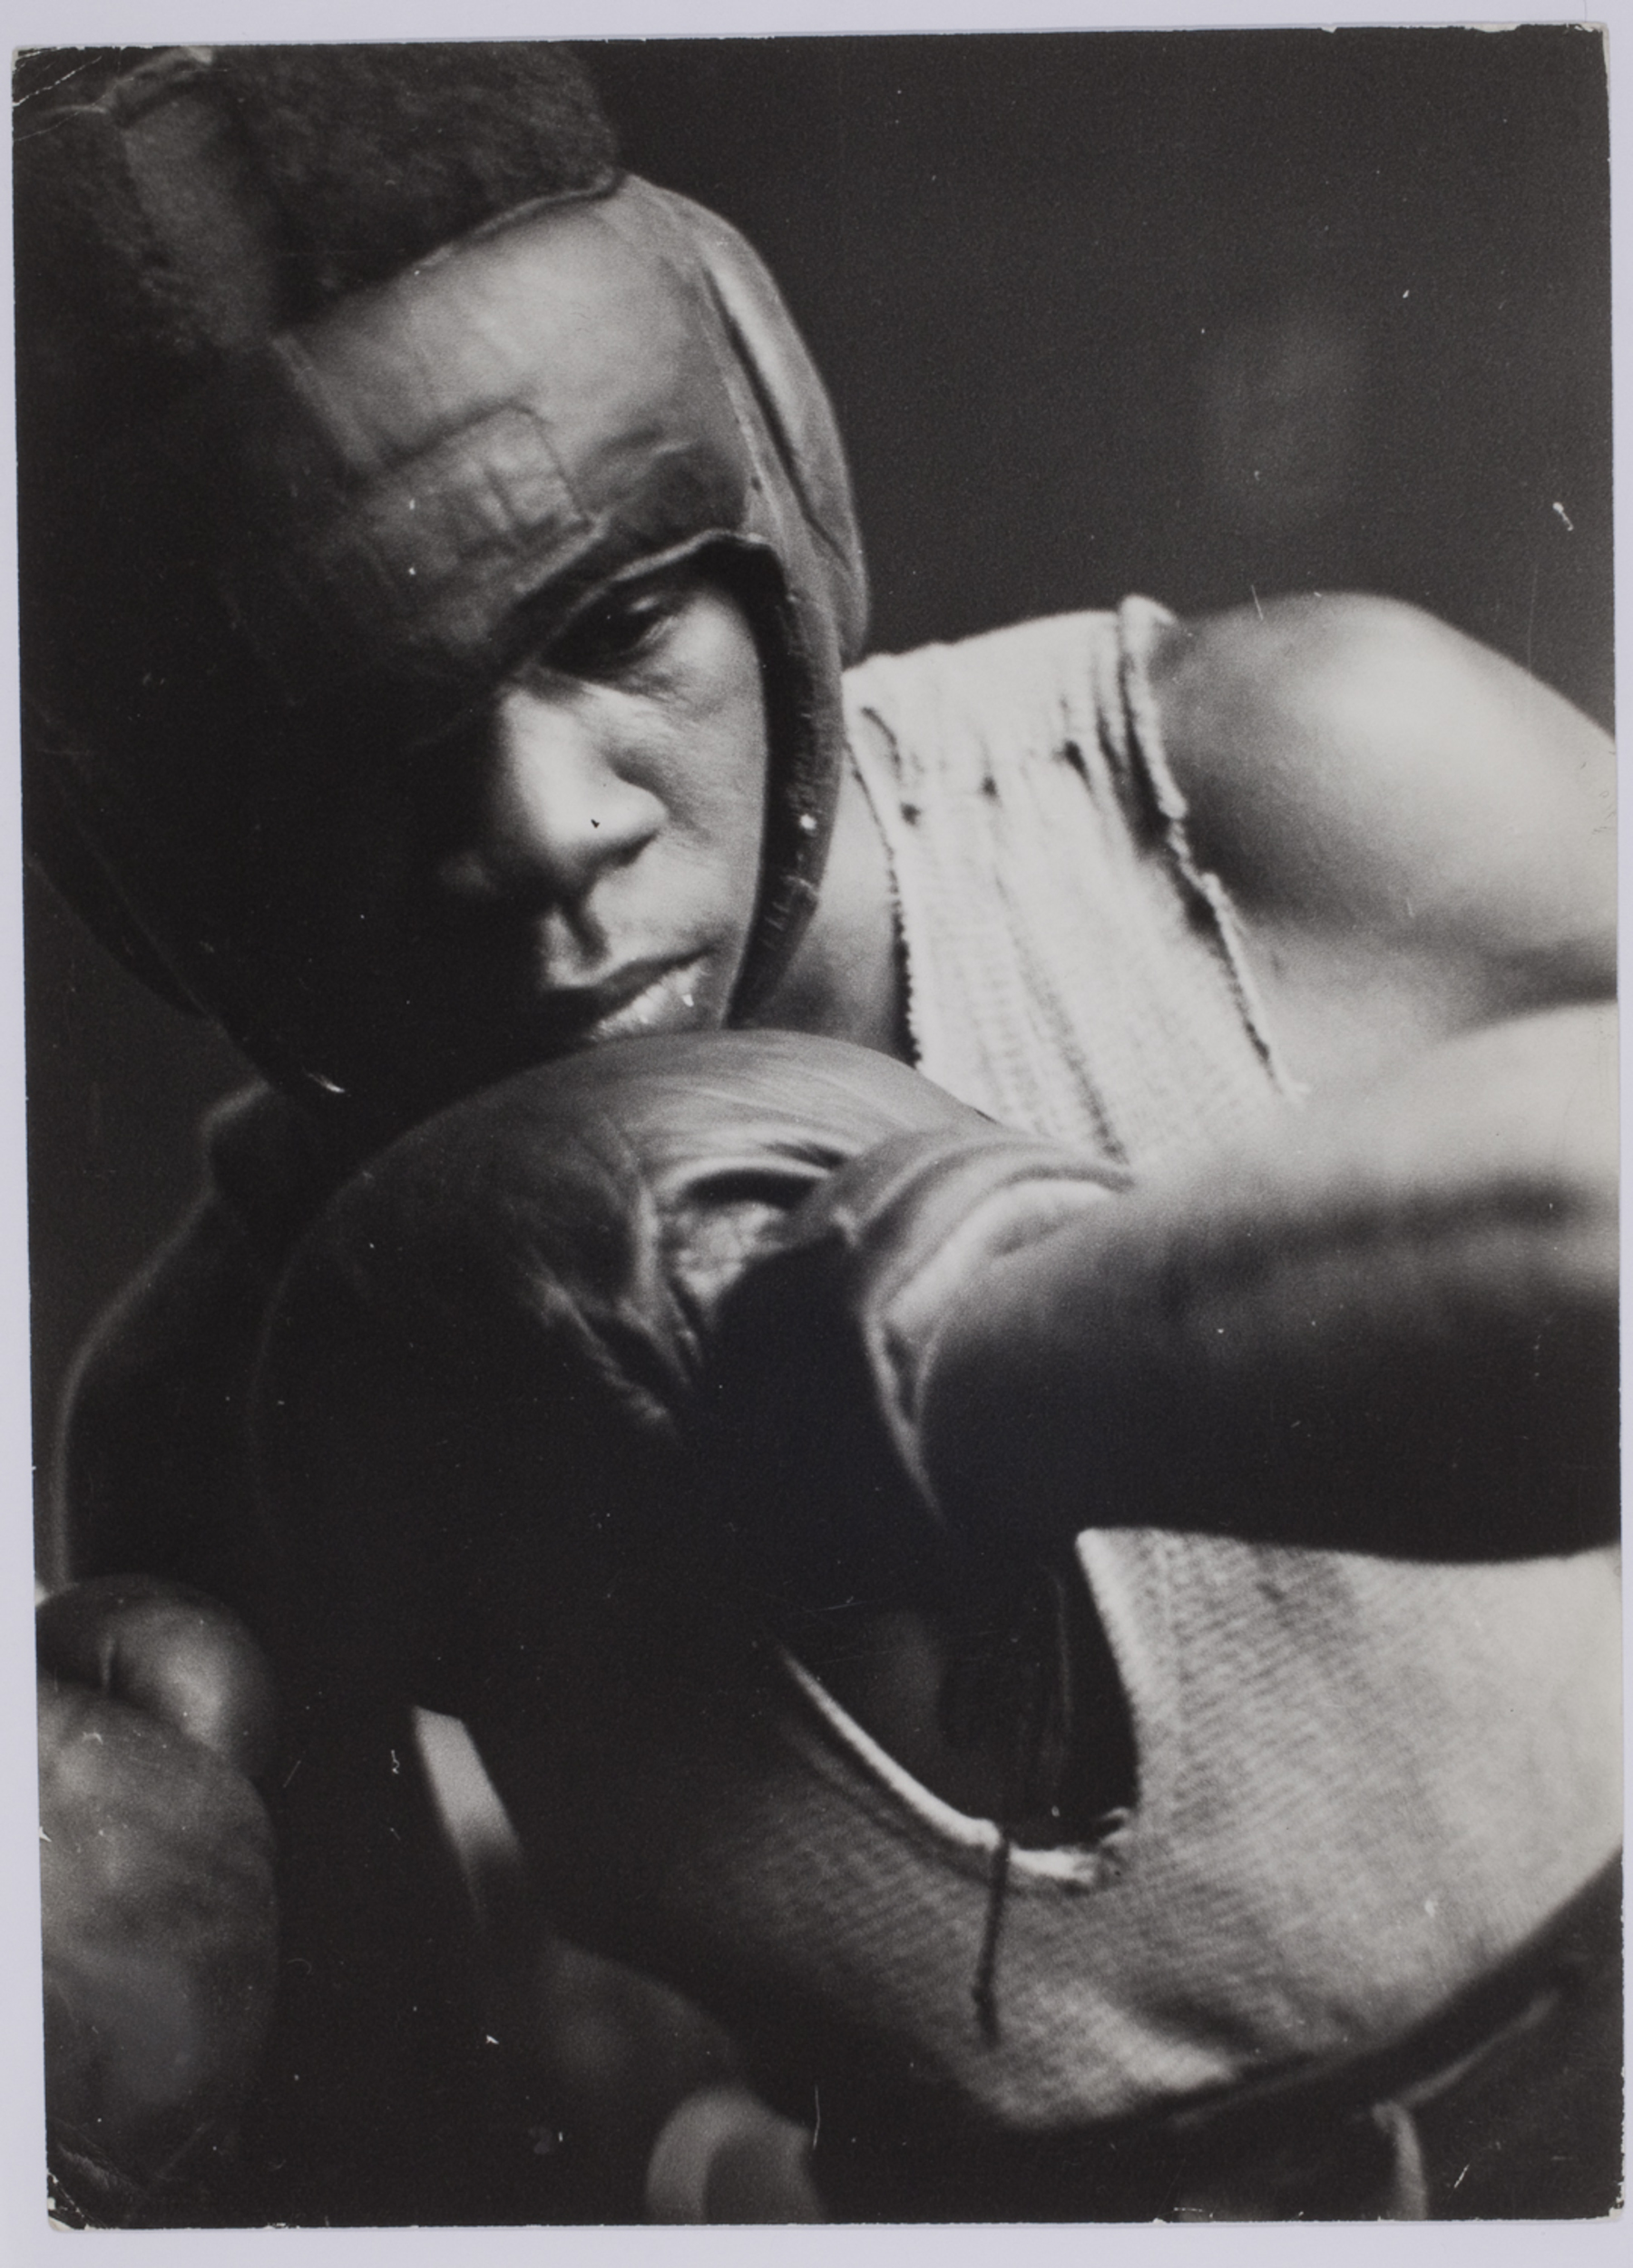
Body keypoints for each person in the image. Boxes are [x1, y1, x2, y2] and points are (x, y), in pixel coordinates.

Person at [19, 43, 1617, 2226]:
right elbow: (406, 2174)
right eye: (341, 739)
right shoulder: (225, 1413)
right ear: (164, 852)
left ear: (768, 540)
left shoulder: (1269, 792)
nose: (542, 830)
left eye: (614, 626)